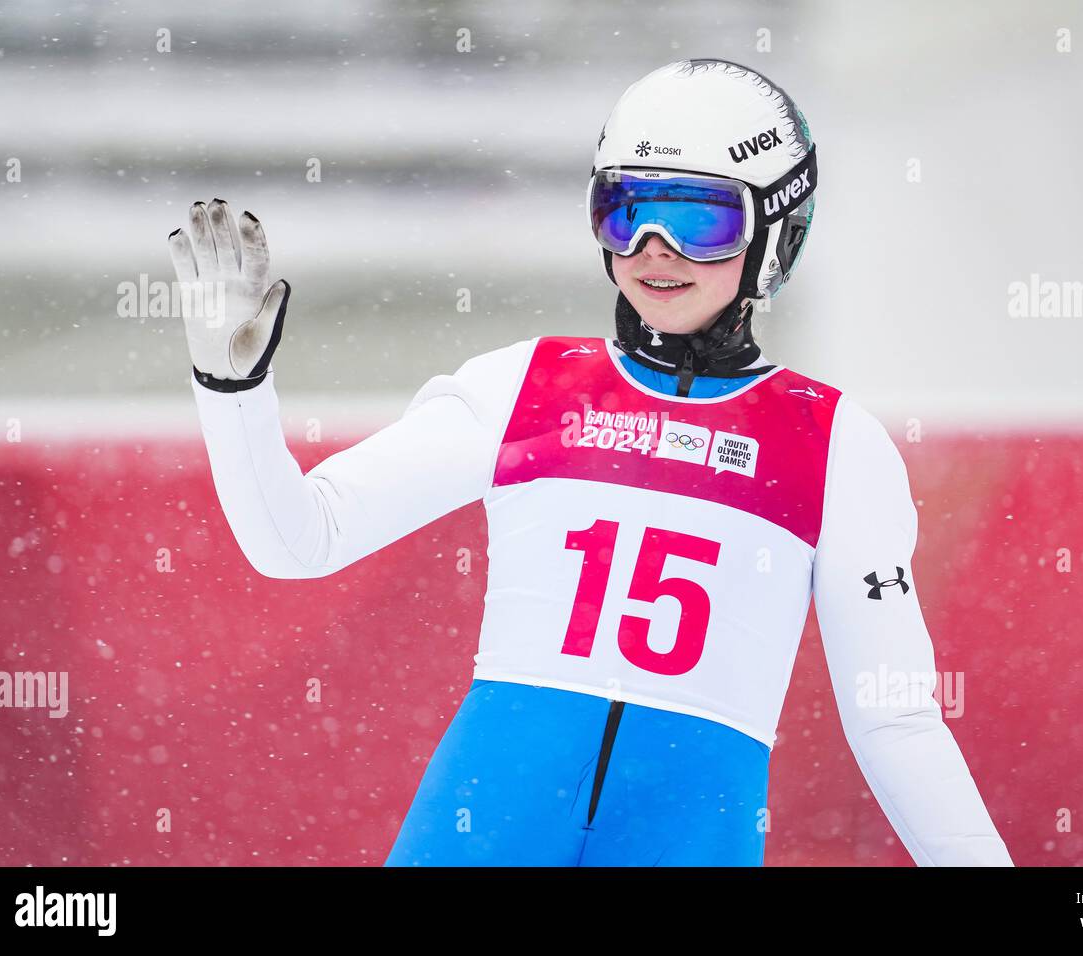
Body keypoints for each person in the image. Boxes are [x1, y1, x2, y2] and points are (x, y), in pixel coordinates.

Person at [168, 58, 1014, 867]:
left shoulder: (836, 444)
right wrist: (231, 384)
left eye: (697, 220)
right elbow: (300, 541)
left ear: (776, 234)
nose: (653, 248)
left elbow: (895, 721)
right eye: (626, 210)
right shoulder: (519, 385)